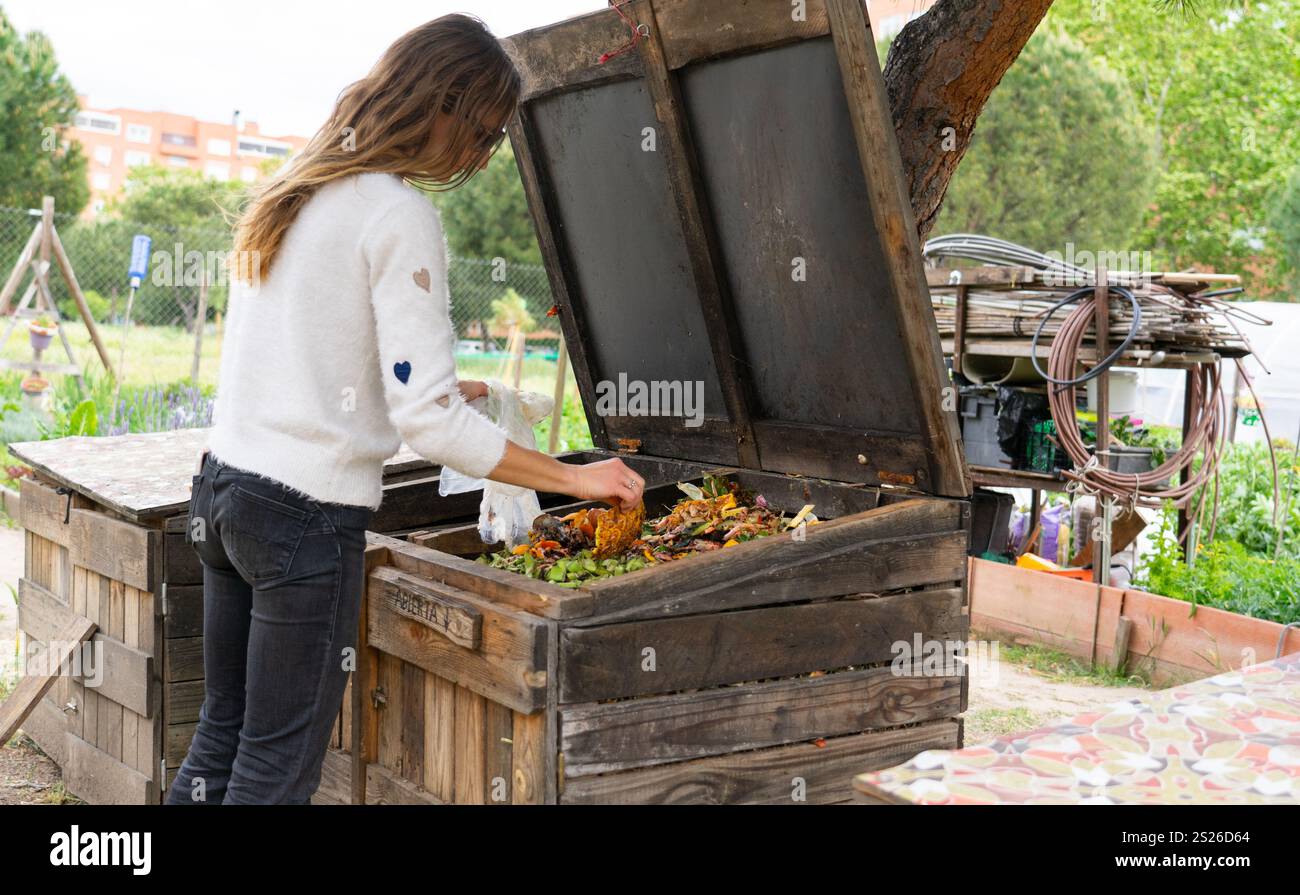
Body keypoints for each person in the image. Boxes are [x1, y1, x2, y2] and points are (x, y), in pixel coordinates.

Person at [165, 14, 643, 805]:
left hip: (225, 495)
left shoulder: (304, 182)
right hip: (301, 520)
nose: (482, 157)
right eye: (486, 133)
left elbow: (316, 359)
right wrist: (576, 479)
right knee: (273, 771)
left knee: (223, 737)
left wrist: (461, 393)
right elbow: (428, 427)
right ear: (444, 105)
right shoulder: (398, 214)